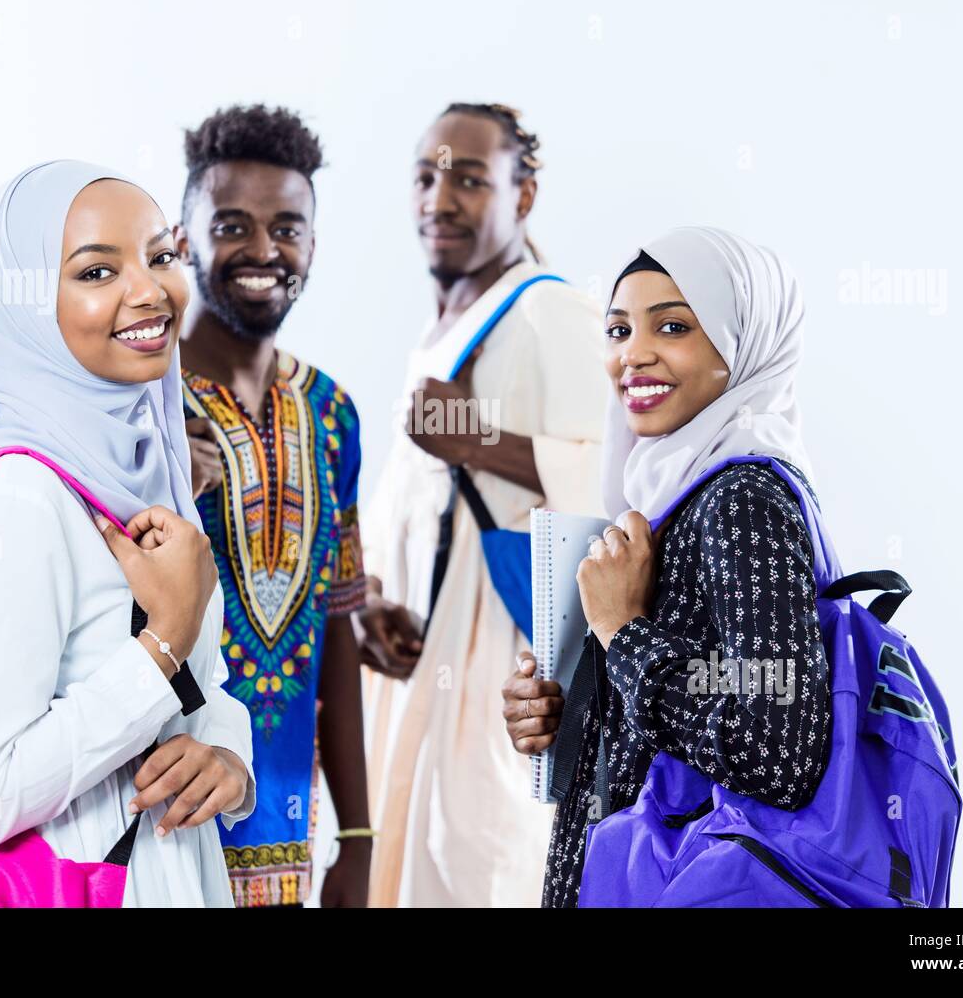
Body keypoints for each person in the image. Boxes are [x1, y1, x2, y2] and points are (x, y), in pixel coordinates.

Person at [0, 159, 256, 908]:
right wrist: (162, 644)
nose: (148, 291)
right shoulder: (20, 493)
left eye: (160, 256)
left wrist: (229, 761)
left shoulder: (147, 466)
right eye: (95, 271)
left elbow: (206, 691)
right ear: (24, 309)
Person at [502, 227, 833, 907]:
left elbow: (778, 750)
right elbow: (682, 721)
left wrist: (623, 633)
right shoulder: (670, 503)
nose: (634, 355)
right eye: (618, 330)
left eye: (674, 325)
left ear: (743, 343)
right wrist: (569, 715)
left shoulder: (742, 498)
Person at [357, 103, 606, 907]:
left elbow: (613, 482)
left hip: (499, 697)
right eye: (426, 177)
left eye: (470, 178)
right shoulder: (443, 330)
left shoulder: (548, 311)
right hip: (417, 684)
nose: (441, 198)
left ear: (523, 196)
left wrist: (470, 437)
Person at [175, 105, 371, 908]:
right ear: (183, 237)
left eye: (287, 227)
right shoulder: (135, 404)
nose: (263, 250)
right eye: (232, 225)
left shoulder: (331, 412)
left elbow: (338, 626)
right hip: (151, 832)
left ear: (313, 245)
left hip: (286, 845)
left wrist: (357, 839)